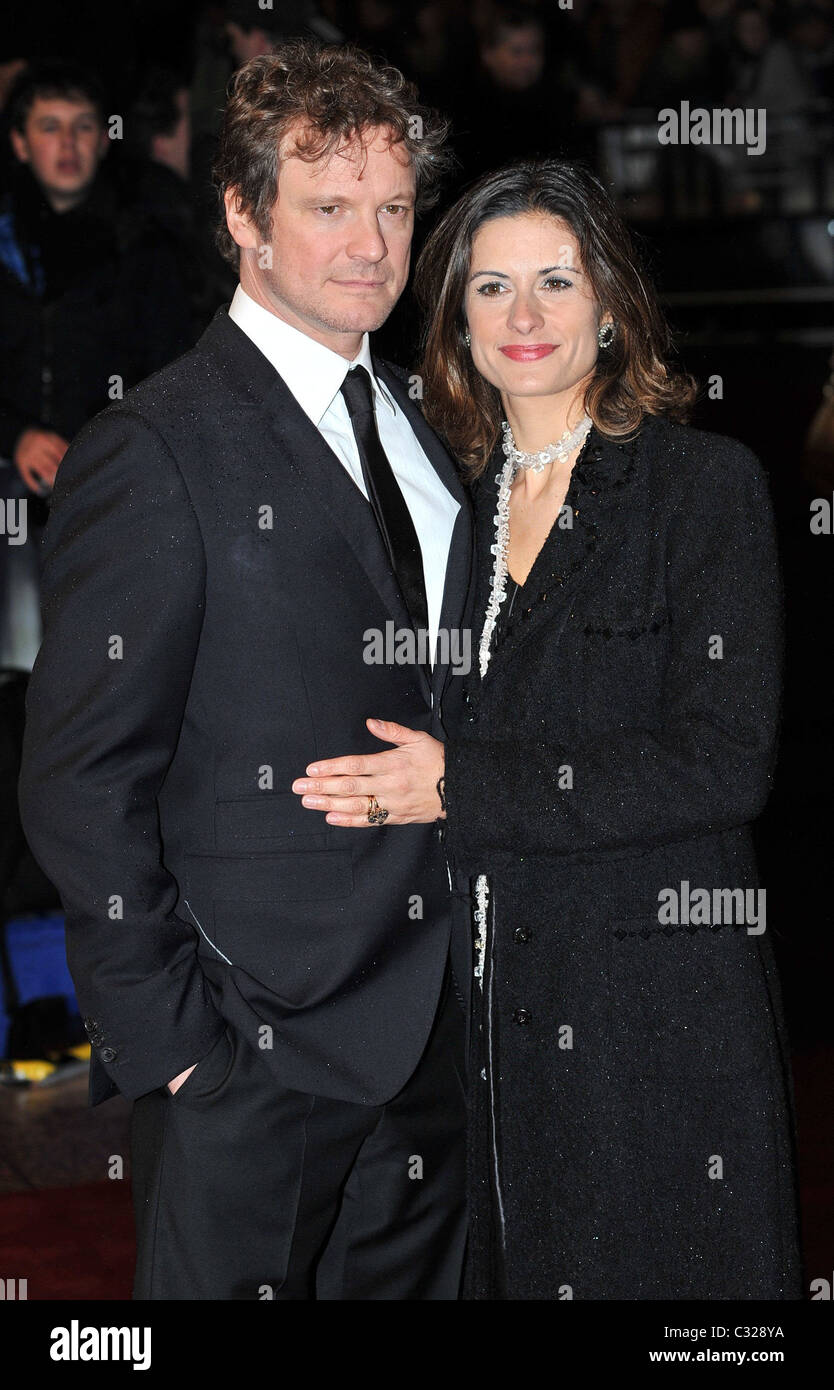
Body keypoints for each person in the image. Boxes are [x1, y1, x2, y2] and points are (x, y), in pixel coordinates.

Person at [289, 157, 804, 1300]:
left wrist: (460, 786)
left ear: (612, 306)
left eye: (557, 284)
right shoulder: (444, 504)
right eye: (490, 288)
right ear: (456, 319)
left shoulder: (702, 488)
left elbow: (725, 761)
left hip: (654, 1018)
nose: (523, 317)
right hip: (486, 1021)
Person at [18, 42, 471, 1300]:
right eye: (329, 206)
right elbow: (77, 777)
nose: (373, 242)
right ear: (241, 214)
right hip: (254, 1058)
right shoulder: (154, 446)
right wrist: (182, 1051)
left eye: (393, 206)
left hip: (441, 1043)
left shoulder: (435, 423)